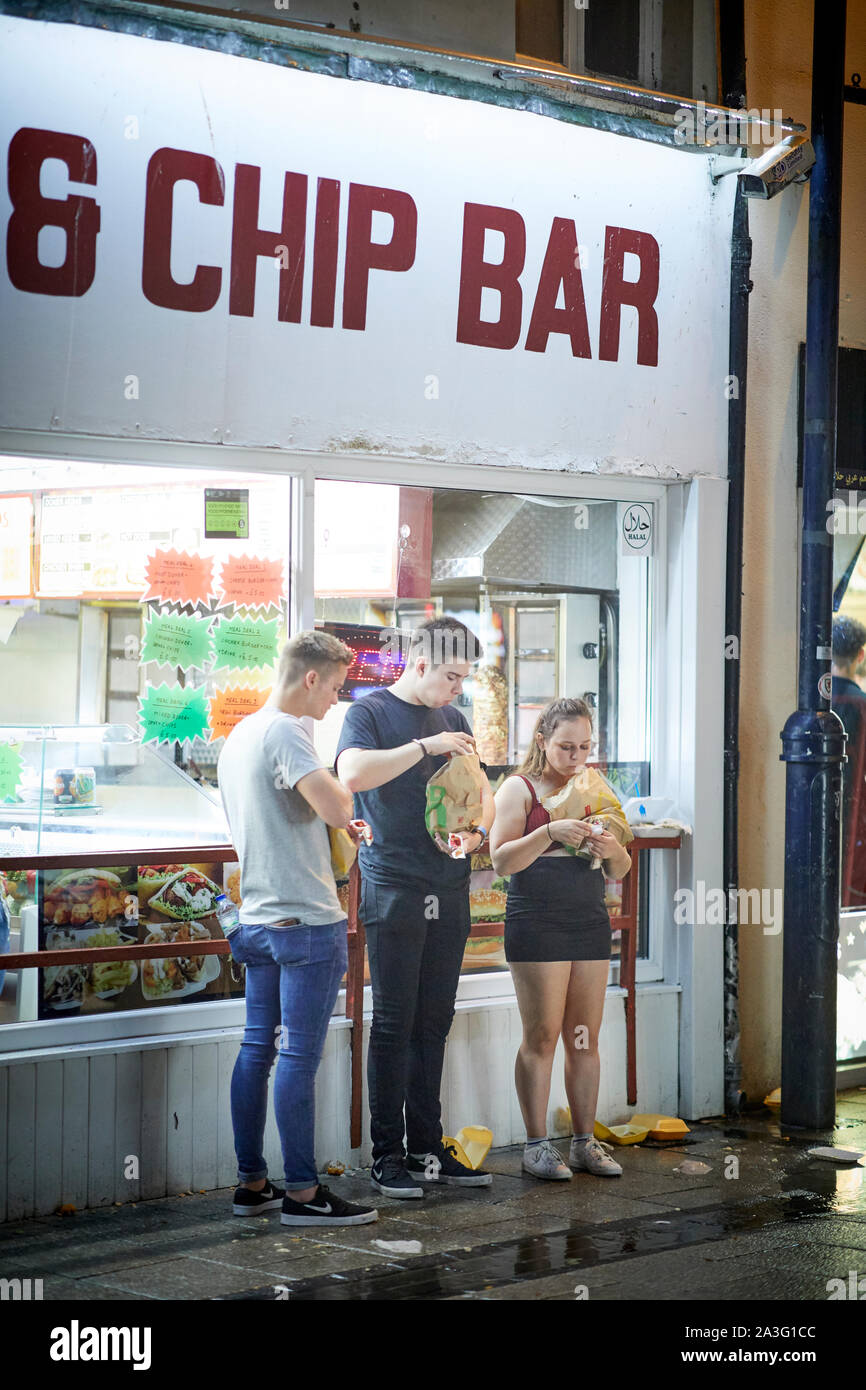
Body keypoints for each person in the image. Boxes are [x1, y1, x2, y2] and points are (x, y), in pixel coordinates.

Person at [218, 630, 378, 1227]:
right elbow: (338, 809)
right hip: (306, 922)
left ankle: (251, 1183)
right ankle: (305, 1195)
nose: (336, 701)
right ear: (310, 677)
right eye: (335, 687)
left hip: (257, 920)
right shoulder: (287, 731)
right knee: (298, 1057)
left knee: (257, 1048)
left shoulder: (240, 734)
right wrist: (348, 806)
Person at [335, 617, 496, 1198]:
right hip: (394, 884)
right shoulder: (371, 712)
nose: (459, 690)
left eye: (465, 679)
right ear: (421, 663)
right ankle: (387, 1156)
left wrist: (478, 835)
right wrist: (425, 746)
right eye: (453, 676)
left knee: (435, 1020)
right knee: (396, 1022)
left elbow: (478, 795)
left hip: (449, 884)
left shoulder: (455, 718)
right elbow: (351, 773)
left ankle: (429, 1147)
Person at [489, 697, 632, 1182]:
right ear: (542, 741)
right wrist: (550, 830)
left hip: (588, 919)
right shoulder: (519, 788)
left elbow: (621, 868)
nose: (576, 757)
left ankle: (584, 1142)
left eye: (585, 747)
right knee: (544, 1036)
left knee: (584, 1038)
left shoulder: (594, 787)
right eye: (566, 747)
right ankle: (535, 1146)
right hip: (537, 919)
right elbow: (501, 861)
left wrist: (611, 846)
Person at [832, 615, 866, 909]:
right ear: (861, 654)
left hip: (818, 812)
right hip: (857, 818)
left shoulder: (814, 703)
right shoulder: (863, 704)